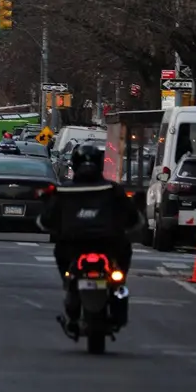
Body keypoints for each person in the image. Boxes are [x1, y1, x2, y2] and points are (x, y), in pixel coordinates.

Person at [40, 142, 141, 332]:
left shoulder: (64, 191)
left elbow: (47, 220)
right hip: (108, 244)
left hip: (73, 245)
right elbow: (132, 217)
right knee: (123, 252)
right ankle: (116, 283)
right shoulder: (113, 190)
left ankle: (71, 283)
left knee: (61, 254)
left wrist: (54, 226)